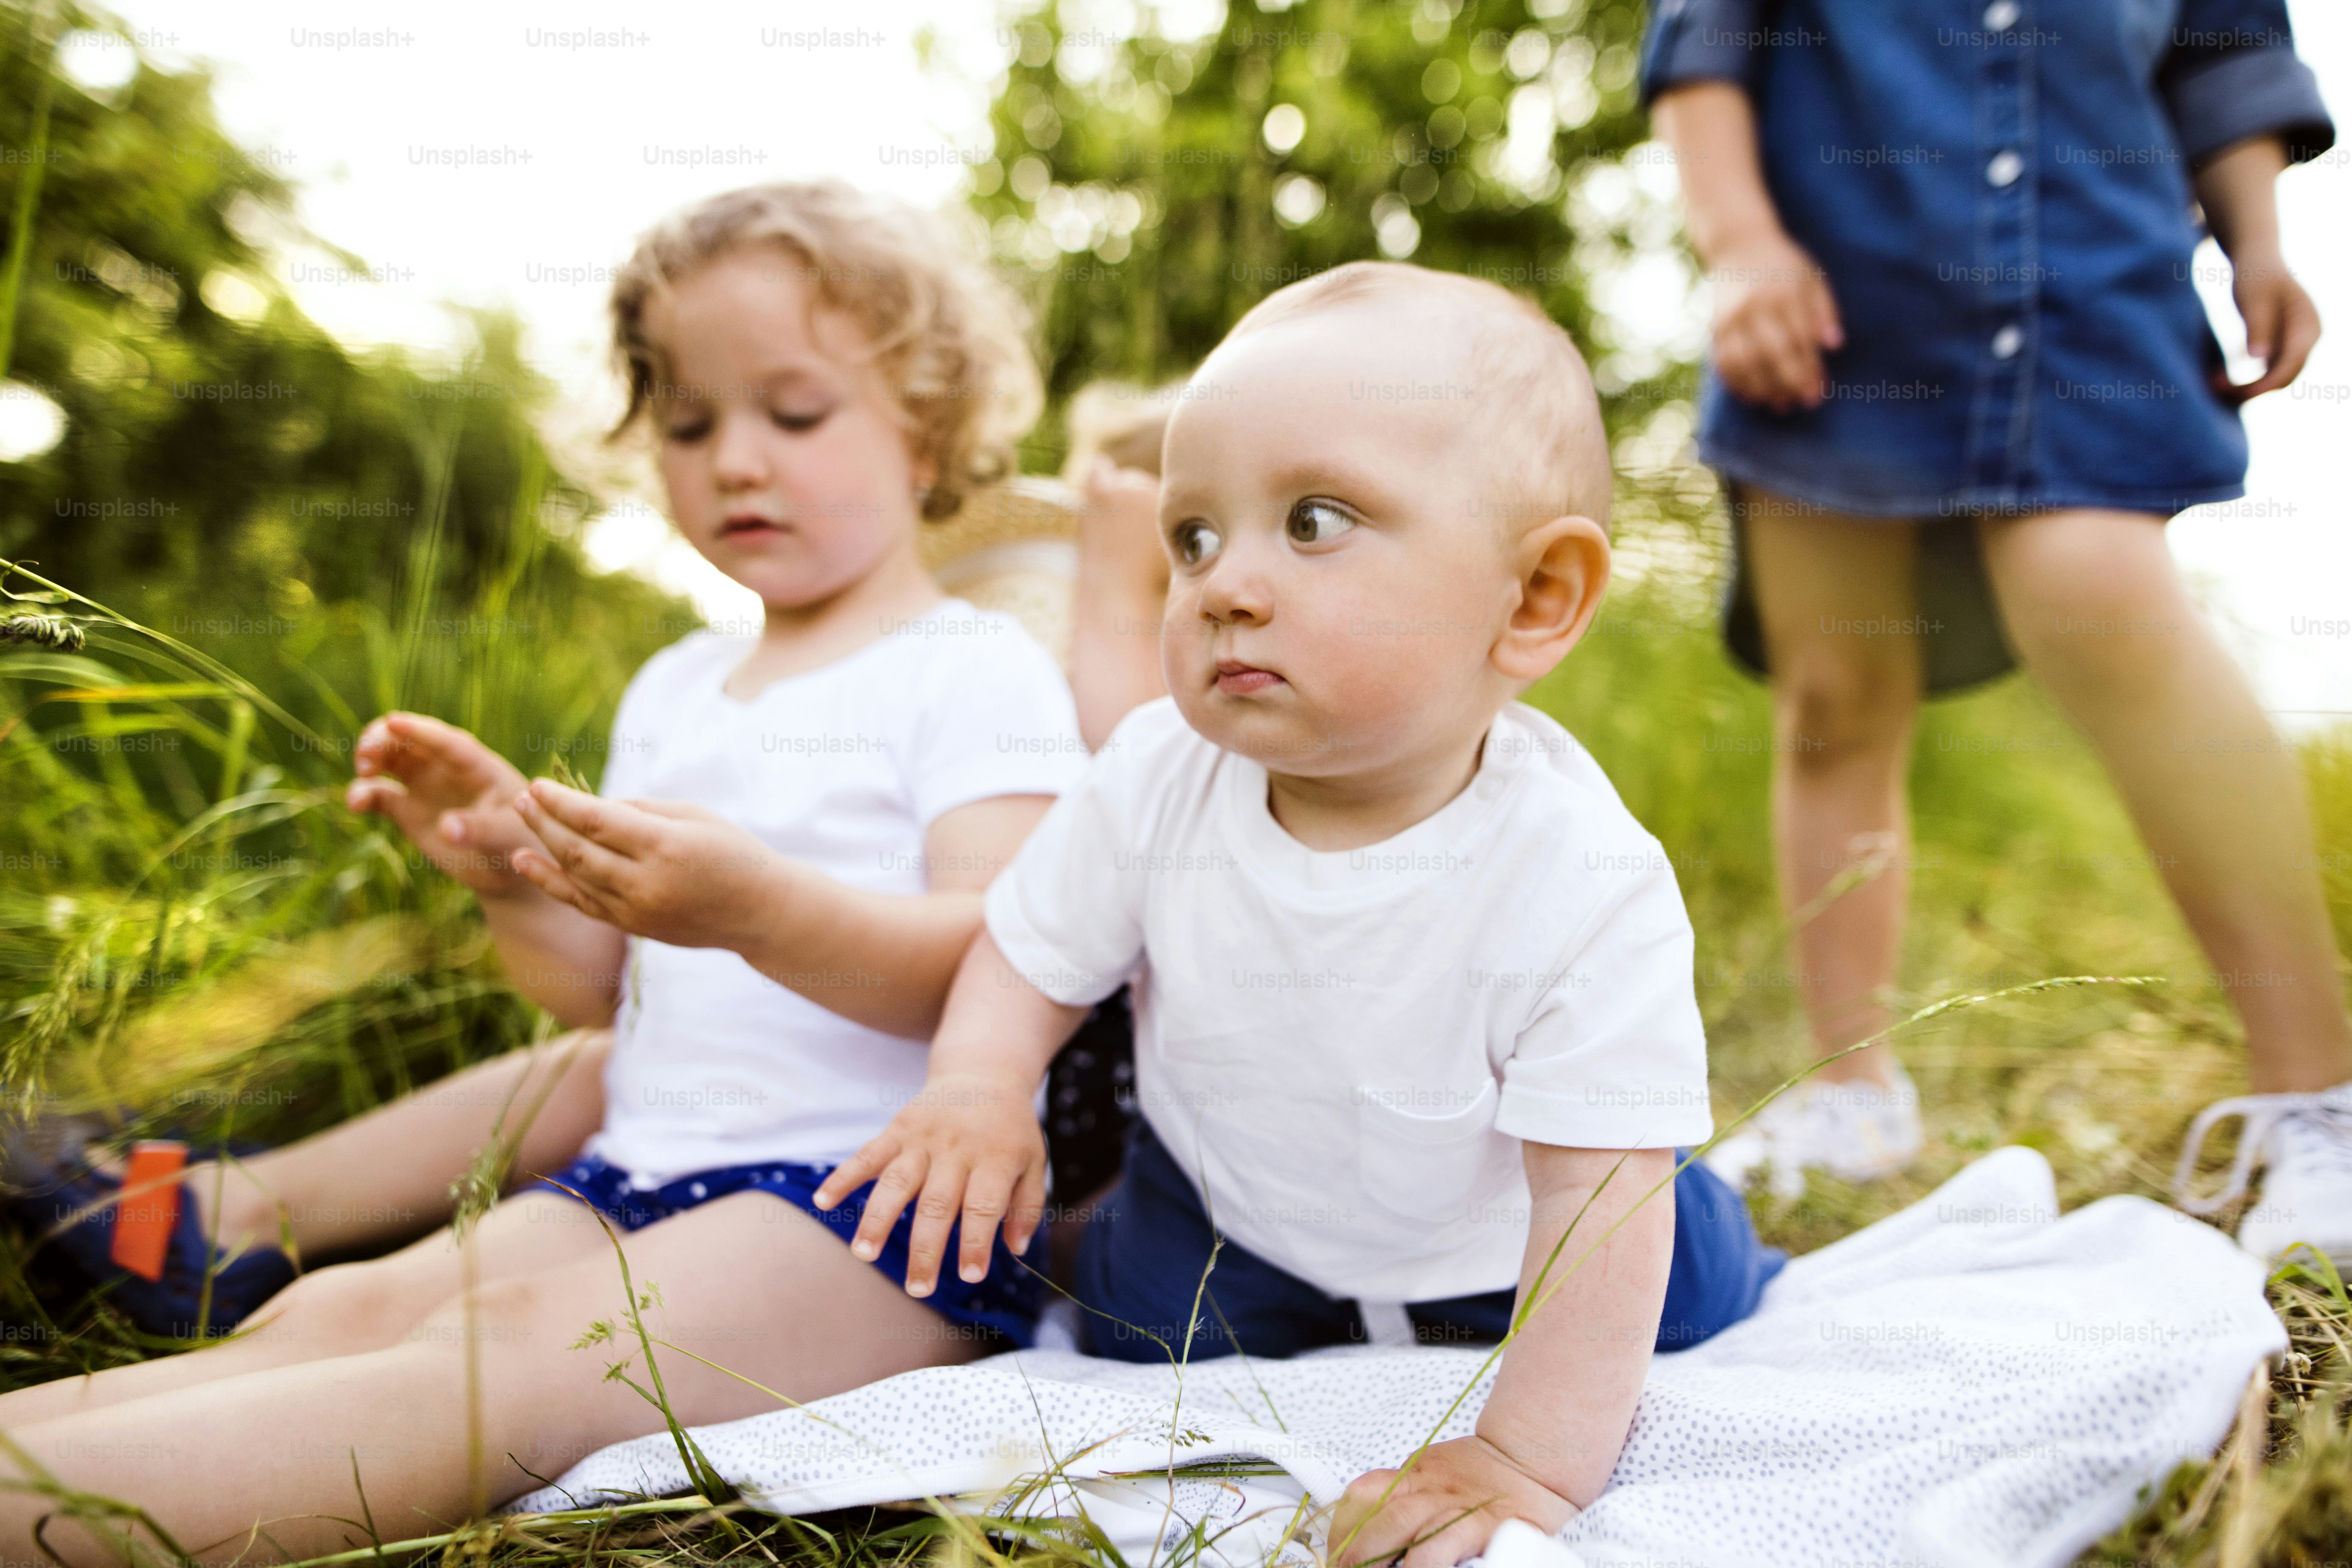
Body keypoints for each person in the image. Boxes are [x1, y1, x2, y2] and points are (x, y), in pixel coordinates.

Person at [0, 180, 1096, 1563]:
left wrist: (760, 912)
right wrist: (514, 880)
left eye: (794, 413)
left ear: (928, 428)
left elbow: (1012, 951)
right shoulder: (682, 684)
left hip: (873, 1217)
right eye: (689, 423)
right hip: (642, 1176)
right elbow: (596, 1001)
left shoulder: (972, 663)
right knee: (341, 1313)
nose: (736, 461)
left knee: (493, 1357)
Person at [818, 261, 1784, 1568]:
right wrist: (981, 1085)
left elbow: (1596, 1204)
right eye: (1194, 537)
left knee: (1683, 1302)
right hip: (1228, 1218)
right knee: (1122, 1329)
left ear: (1536, 598)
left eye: (1315, 521)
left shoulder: (1579, 876)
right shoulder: (1159, 774)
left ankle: (1732, 1230)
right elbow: (1031, 951)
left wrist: (1523, 1461)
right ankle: (1109, 1244)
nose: (1223, 585)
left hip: (1509, 1250)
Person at [1642, 0, 2352, 1255]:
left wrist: (2257, 239)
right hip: (1837, 291)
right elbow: (1706, 37)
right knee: (1835, 688)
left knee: (2100, 590)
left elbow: (2226, 49)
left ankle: (2322, 1096)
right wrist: (1741, 243)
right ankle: (1852, 1092)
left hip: (2094, 275)